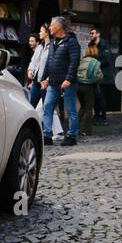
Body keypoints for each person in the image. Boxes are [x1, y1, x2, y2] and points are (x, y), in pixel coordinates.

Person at [40, 16, 80, 146]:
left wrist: (68, 79)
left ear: (59, 27)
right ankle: (47, 135)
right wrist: (44, 78)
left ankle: (72, 136)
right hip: (53, 82)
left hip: (68, 83)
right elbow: (49, 62)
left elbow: (74, 62)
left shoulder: (71, 42)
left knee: (71, 110)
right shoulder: (53, 42)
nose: (50, 28)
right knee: (47, 107)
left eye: (52, 25)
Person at [76, 43, 102, 136]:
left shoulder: (81, 60)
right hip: (89, 87)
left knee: (82, 107)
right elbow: (99, 76)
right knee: (89, 109)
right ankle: (87, 130)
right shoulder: (95, 62)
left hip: (78, 86)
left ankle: (76, 128)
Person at [89, 27, 113, 125]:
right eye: (90, 33)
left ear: (98, 34)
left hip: (103, 76)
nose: (91, 35)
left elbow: (107, 60)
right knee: (96, 97)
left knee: (101, 97)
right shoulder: (91, 45)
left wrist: (95, 63)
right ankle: (97, 116)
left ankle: (103, 117)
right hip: (94, 75)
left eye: (92, 33)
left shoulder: (104, 45)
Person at [25, 30, 47, 105]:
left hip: (45, 82)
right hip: (35, 82)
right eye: (29, 41)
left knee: (47, 108)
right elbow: (33, 63)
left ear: (37, 42)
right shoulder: (39, 48)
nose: (29, 43)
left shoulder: (50, 48)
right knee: (30, 105)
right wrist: (30, 70)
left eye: (32, 41)